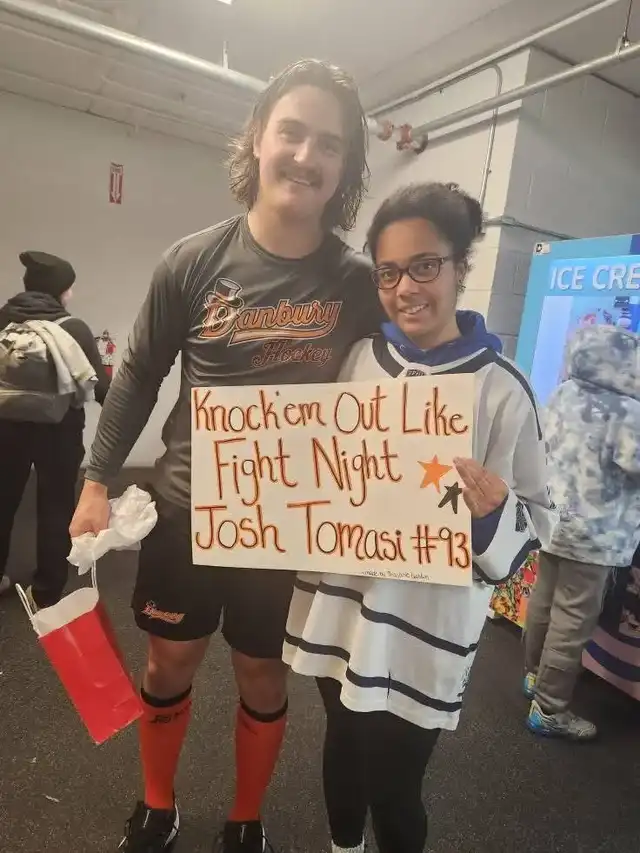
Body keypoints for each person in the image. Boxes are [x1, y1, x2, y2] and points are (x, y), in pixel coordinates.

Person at [69, 60, 382, 853]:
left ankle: (247, 817)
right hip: (186, 510)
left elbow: (399, 392)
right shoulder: (192, 260)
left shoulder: (358, 282)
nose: (306, 155)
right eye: (292, 132)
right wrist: (96, 480)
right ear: (258, 139)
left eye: (329, 144)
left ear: (345, 166)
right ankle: (157, 803)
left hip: (286, 523)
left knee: (262, 671)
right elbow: (139, 374)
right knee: (169, 662)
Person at [283, 182, 556, 853]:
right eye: (389, 272)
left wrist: (491, 518)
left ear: (461, 266)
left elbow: (539, 521)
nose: (406, 287)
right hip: (341, 601)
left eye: (425, 265)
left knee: (396, 782)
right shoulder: (356, 360)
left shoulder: (502, 388)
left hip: (425, 623)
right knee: (342, 744)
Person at [523, 324, 640, 740]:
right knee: (572, 620)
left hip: (553, 520)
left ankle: (535, 677)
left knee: (543, 603)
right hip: (596, 535)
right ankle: (549, 709)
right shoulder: (627, 412)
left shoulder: (564, 393)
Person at [0, 251, 110, 607]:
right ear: (60, 289)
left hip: (6, 429)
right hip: (59, 432)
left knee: (3, 501)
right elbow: (101, 389)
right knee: (55, 507)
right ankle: (45, 592)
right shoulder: (72, 327)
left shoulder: (3, 320)